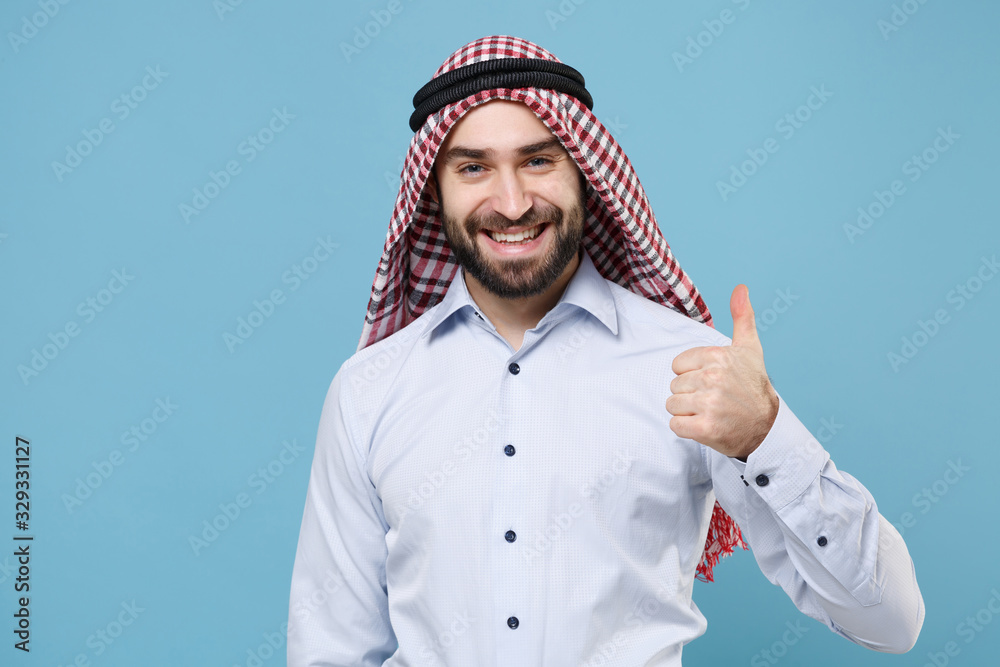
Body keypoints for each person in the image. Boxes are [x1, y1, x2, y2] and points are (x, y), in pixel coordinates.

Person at [287, 35, 924, 666]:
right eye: (473, 167)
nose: (512, 204)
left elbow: (889, 622)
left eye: (538, 161)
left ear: (585, 175)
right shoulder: (368, 390)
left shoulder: (692, 371)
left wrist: (767, 435)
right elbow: (331, 650)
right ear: (434, 190)